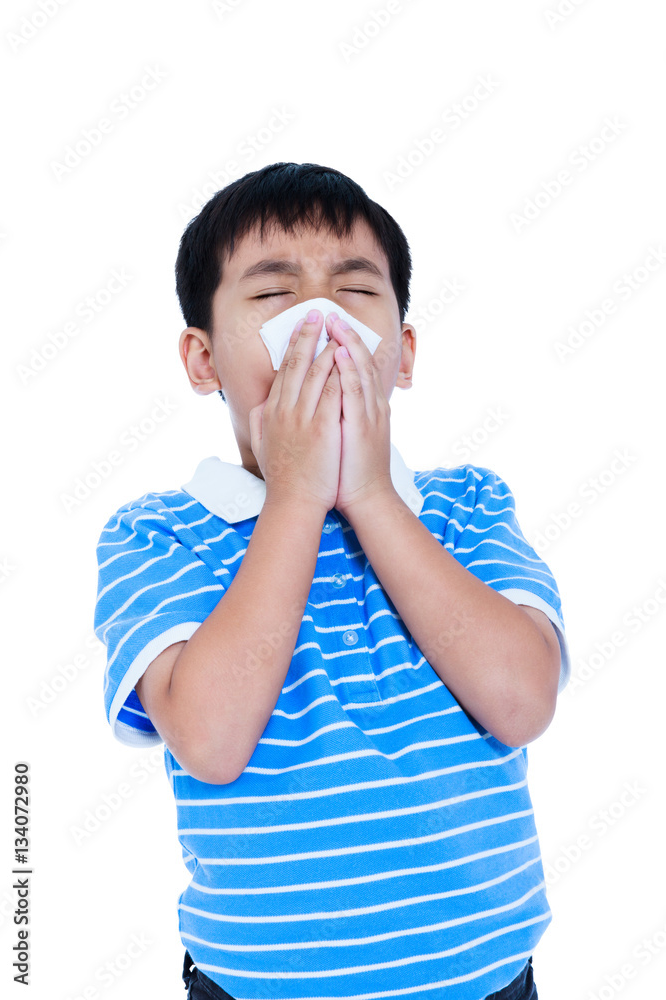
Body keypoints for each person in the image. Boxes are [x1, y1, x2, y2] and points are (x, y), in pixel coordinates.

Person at [93, 161, 570, 1000]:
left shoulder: (464, 507)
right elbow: (208, 740)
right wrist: (298, 495)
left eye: (353, 292)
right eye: (274, 296)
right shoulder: (158, 536)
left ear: (404, 352)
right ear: (203, 360)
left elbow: (522, 701)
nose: (318, 323)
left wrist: (372, 496)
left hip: (487, 980)